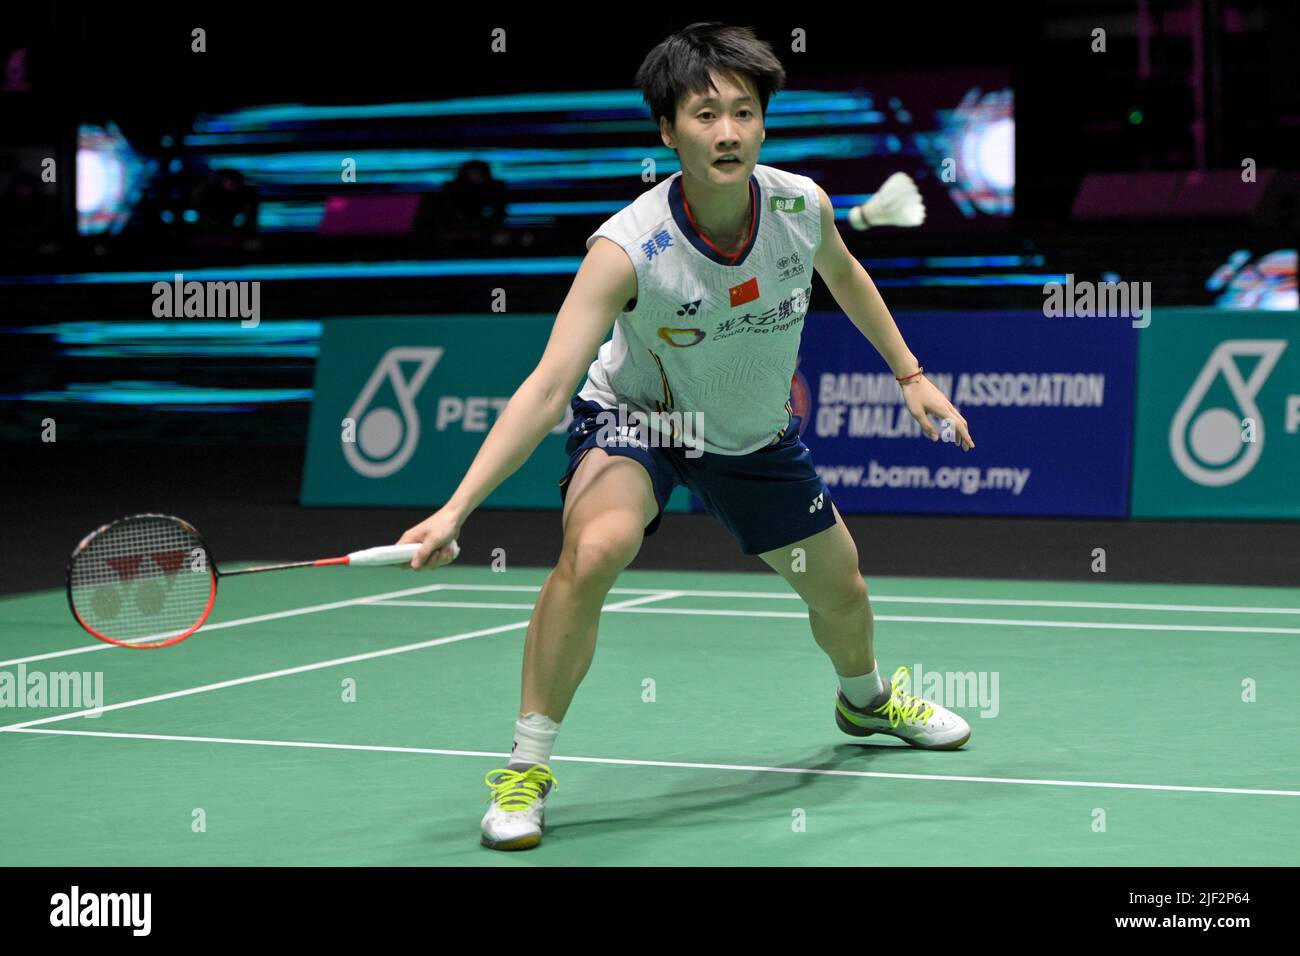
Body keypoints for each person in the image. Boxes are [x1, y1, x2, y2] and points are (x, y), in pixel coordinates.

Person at [397, 22, 976, 852]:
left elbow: (847, 279)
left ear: (765, 123)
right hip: (639, 419)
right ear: (667, 131)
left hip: (752, 437)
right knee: (597, 548)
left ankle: (866, 699)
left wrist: (912, 377)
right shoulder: (627, 248)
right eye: (705, 115)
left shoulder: (799, 207)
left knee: (841, 592)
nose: (729, 131)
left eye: (744, 112)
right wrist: (455, 510)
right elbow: (550, 385)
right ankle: (526, 766)